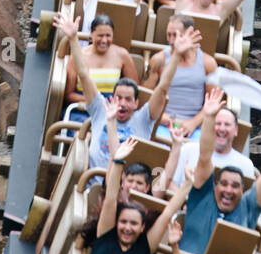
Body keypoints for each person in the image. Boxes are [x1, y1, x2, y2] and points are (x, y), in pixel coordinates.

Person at [54, 12, 201, 168]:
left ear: (137, 103)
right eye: (119, 98)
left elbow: (163, 88)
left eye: (128, 99)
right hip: (96, 182)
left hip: (129, 182)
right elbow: (83, 73)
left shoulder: (144, 118)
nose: (122, 103)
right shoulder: (100, 110)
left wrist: (176, 55)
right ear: (112, 99)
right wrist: (73, 39)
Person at [175, 88, 261, 254]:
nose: (228, 190)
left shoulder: (246, 208)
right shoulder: (202, 198)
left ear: (243, 190)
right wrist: (209, 117)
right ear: (214, 186)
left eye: (235, 186)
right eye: (224, 184)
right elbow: (204, 156)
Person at [146, 13, 219, 138]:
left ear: (189, 35)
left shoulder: (208, 63)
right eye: (169, 35)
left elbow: (214, 100)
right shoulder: (159, 60)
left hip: (194, 126)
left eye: (176, 35)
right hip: (162, 124)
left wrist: (193, 123)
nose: (172, 41)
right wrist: (160, 116)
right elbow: (146, 95)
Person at [172, 87, 253, 185]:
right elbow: (169, 184)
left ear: (236, 130)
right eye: (217, 124)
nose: (222, 129)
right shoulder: (187, 150)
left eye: (227, 125)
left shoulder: (245, 165)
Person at [64, 11, 139, 107]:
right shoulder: (78, 56)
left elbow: (134, 90)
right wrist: (96, 101)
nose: (104, 40)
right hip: (84, 106)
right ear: (91, 34)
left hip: (113, 107)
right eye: (100, 35)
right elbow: (69, 95)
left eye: (108, 36)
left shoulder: (122, 55)